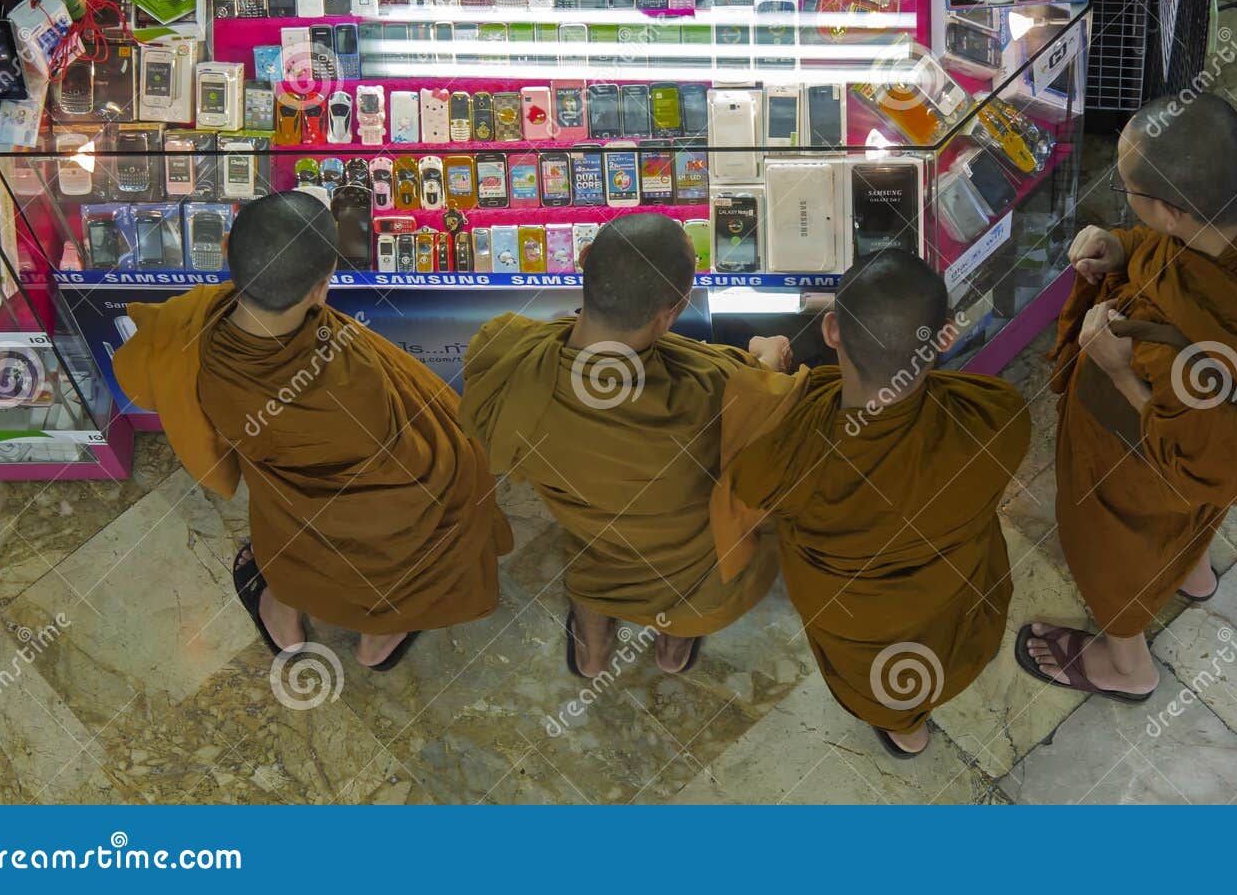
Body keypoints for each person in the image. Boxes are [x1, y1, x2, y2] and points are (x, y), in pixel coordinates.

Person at [113, 191, 513, 671]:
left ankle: (283, 621)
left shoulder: (193, 338)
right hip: (384, 519)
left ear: (225, 250)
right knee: (425, 513)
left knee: (287, 531)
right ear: (323, 288)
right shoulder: (353, 372)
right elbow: (411, 452)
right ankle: (376, 642)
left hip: (287, 500)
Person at [1018, 92, 1237, 702]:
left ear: (1172, 213)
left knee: (1110, 543)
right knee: (1193, 520)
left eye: (1130, 193)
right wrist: (1128, 245)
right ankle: (1191, 568)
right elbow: (1189, 241)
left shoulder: (1167, 340)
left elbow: (1219, 470)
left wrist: (1119, 370)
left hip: (1149, 460)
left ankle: (1127, 664)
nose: (1124, 198)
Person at [714, 250, 1029, 758]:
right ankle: (909, 722)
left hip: (856, 639)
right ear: (945, 334)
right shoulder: (996, 415)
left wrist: (761, 372)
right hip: (960, 619)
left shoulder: (784, 446)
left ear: (831, 331)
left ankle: (904, 728)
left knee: (887, 696)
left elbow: (741, 505)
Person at [458, 213, 791, 678]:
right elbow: (767, 396)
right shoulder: (713, 385)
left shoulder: (506, 351)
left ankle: (593, 653)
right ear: (669, 314)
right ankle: (674, 648)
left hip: (598, 538)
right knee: (725, 562)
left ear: (584, 259)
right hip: (690, 561)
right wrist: (770, 352)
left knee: (593, 558)